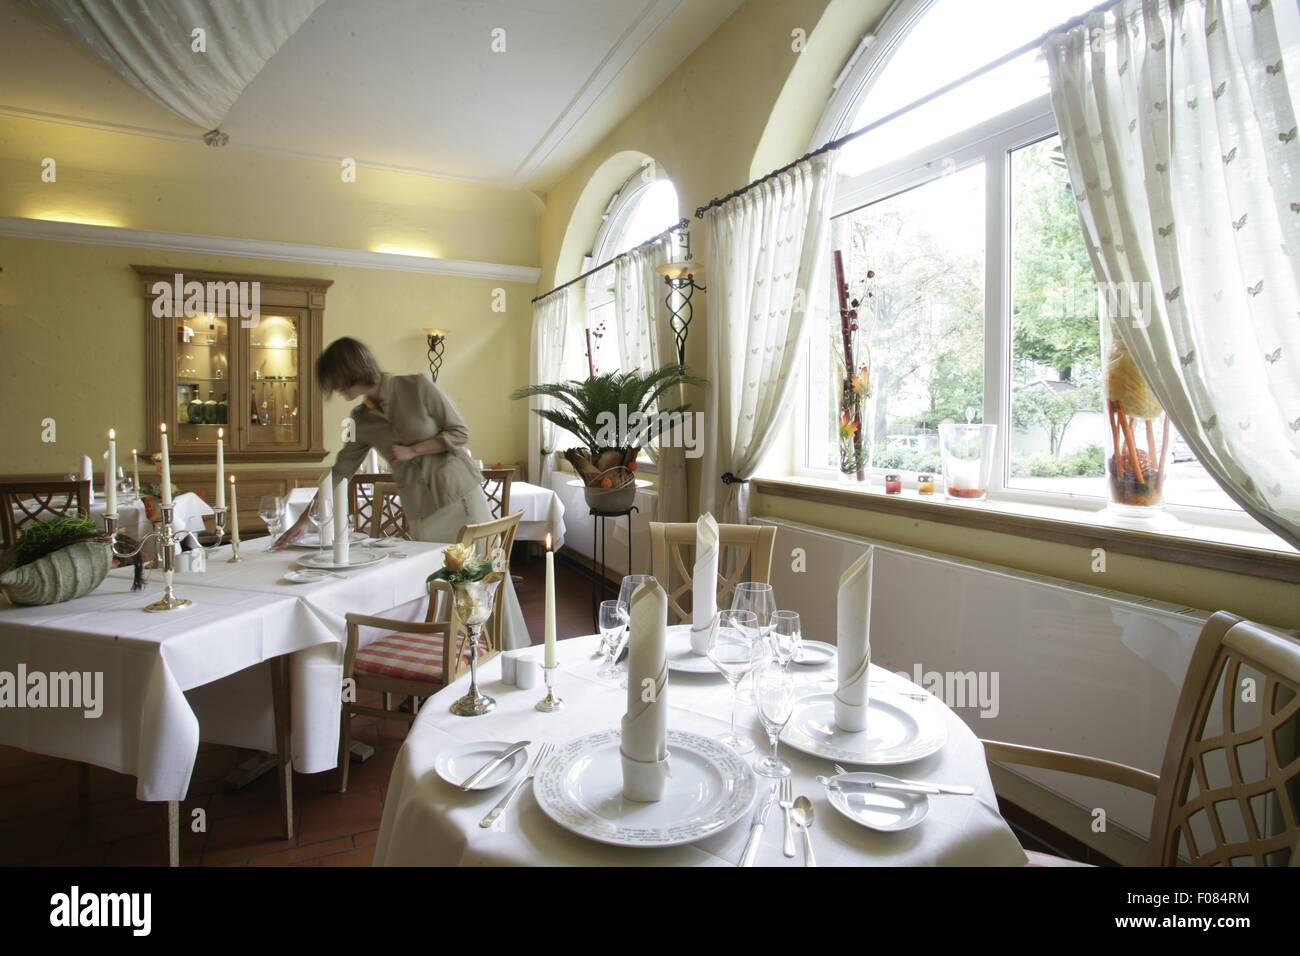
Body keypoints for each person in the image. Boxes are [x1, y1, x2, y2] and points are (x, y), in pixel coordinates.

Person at [273, 337, 528, 649]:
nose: (337, 391)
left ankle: (505, 654)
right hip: (421, 510)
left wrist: (413, 450)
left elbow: (459, 433)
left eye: (338, 382)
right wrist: (305, 518)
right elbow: (342, 469)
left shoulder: (417, 387)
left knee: (481, 579)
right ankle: (451, 663)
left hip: (459, 499)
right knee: (439, 584)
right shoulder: (361, 419)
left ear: (352, 371)